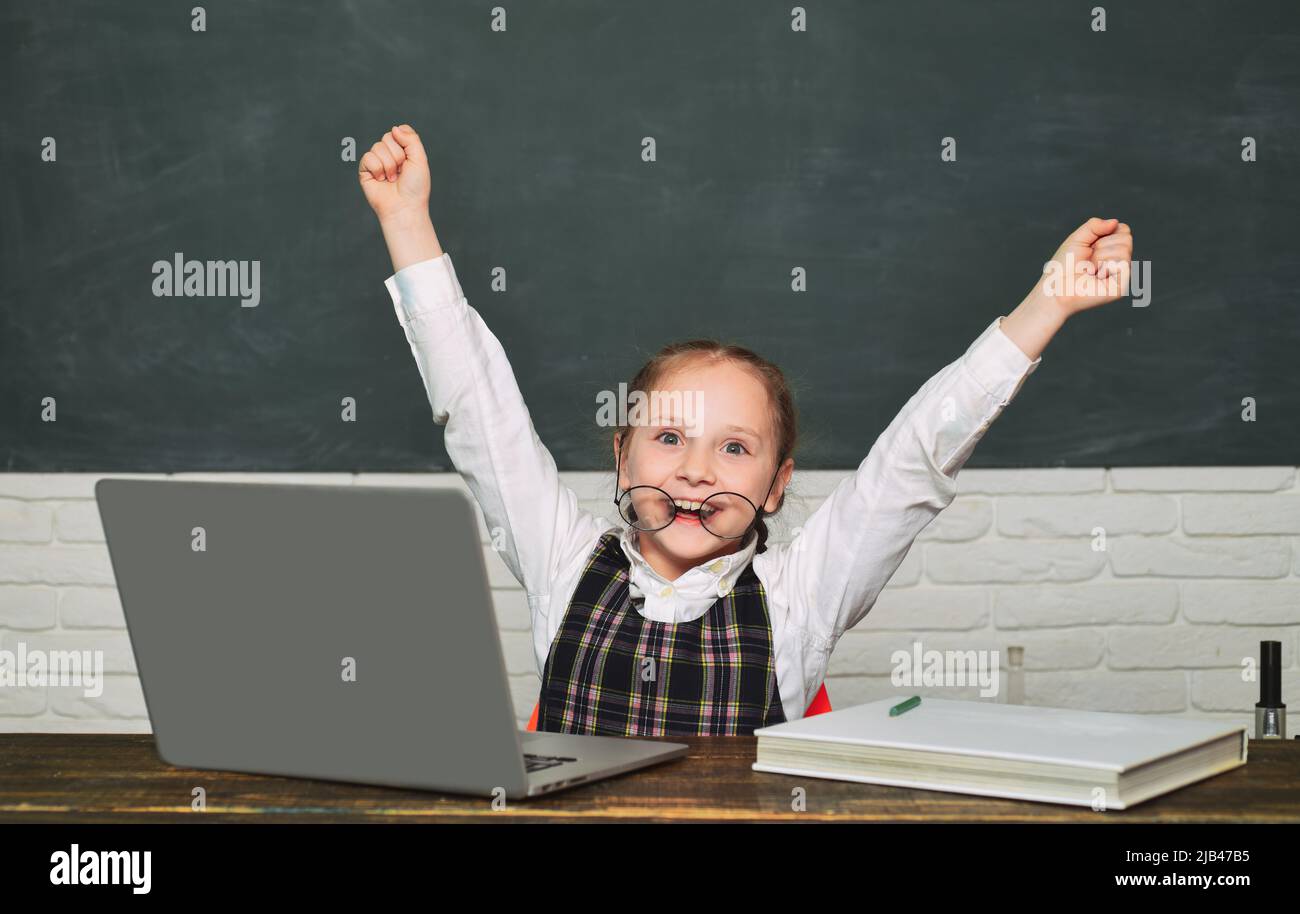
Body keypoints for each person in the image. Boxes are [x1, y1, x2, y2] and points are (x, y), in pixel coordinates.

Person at [359, 123, 1135, 736]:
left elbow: (914, 460)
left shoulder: (802, 598)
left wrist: (1049, 303)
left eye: (735, 448)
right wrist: (406, 220)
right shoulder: (561, 562)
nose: (697, 471)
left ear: (777, 484)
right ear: (620, 452)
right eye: (669, 438)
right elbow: (475, 402)